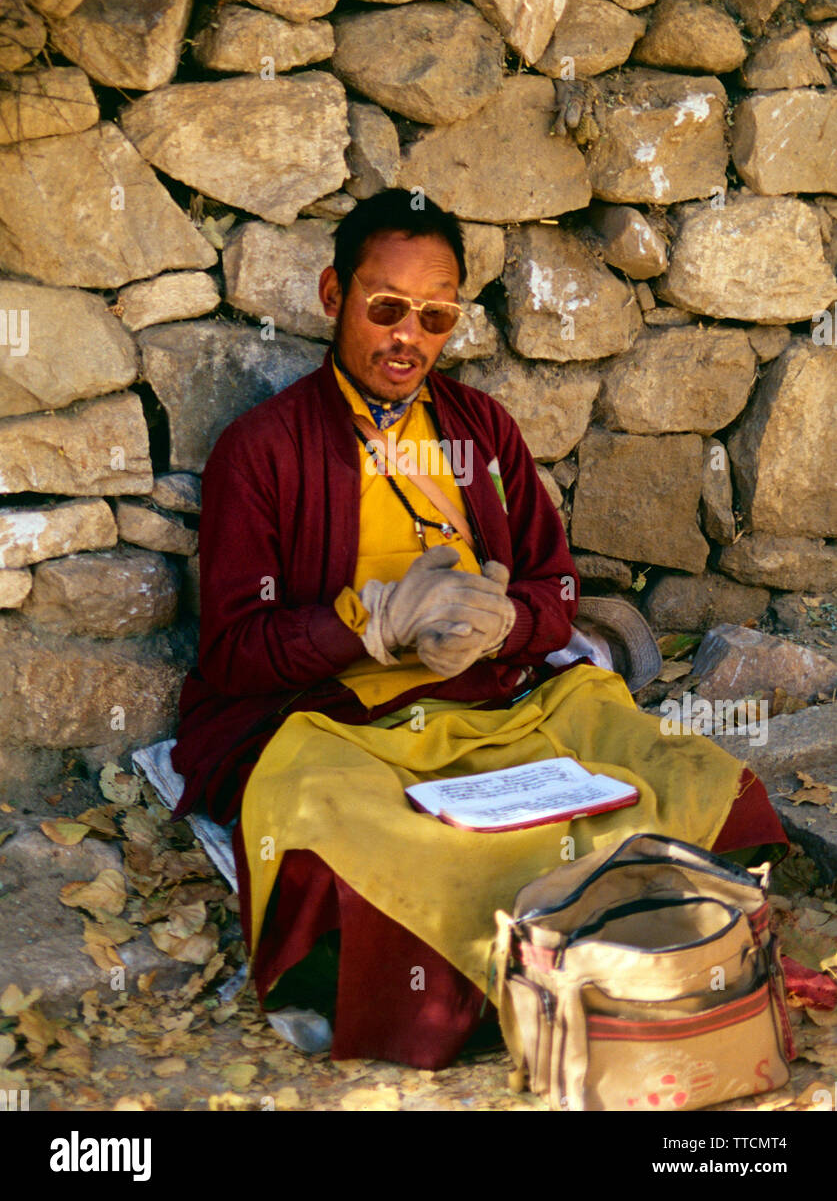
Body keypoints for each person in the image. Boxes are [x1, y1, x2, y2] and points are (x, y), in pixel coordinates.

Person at [170, 188, 787, 1069]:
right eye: (384, 307)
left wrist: (504, 624)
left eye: (433, 315)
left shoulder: (480, 430)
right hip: (337, 720)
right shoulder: (264, 448)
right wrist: (370, 626)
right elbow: (233, 650)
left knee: (676, 764)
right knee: (322, 818)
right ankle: (518, 975)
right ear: (331, 295)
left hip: (495, 699)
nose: (406, 337)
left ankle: (669, 946)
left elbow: (555, 586)